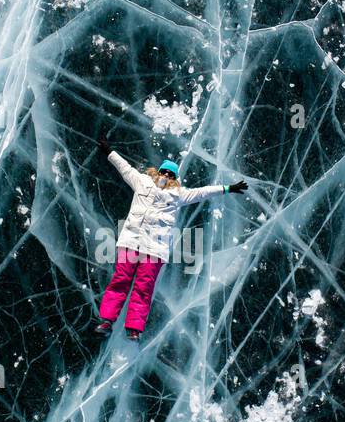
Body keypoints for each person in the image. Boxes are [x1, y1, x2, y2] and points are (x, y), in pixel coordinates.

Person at [93, 138, 247, 340]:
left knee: (143, 288)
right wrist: (109, 151)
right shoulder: (142, 181)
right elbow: (125, 168)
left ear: (175, 178)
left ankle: (134, 329)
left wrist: (228, 188)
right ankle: (107, 322)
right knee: (120, 280)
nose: (166, 175)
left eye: (170, 174)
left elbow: (202, 192)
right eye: (164, 172)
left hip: (155, 250)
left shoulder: (178, 195)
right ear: (157, 173)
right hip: (131, 241)